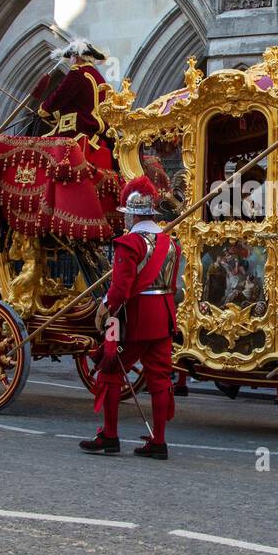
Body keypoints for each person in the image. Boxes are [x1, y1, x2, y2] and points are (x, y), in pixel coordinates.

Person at [80, 175, 182, 459]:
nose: (123, 220)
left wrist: (105, 309)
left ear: (134, 214)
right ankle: (159, 441)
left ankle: (110, 436)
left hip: (135, 319)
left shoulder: (129, 244)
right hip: (163, 317)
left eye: (126, 215)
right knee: (160, 379)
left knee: (111, 371)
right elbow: (172, 284)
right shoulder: (171, 243)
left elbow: (120, 290)